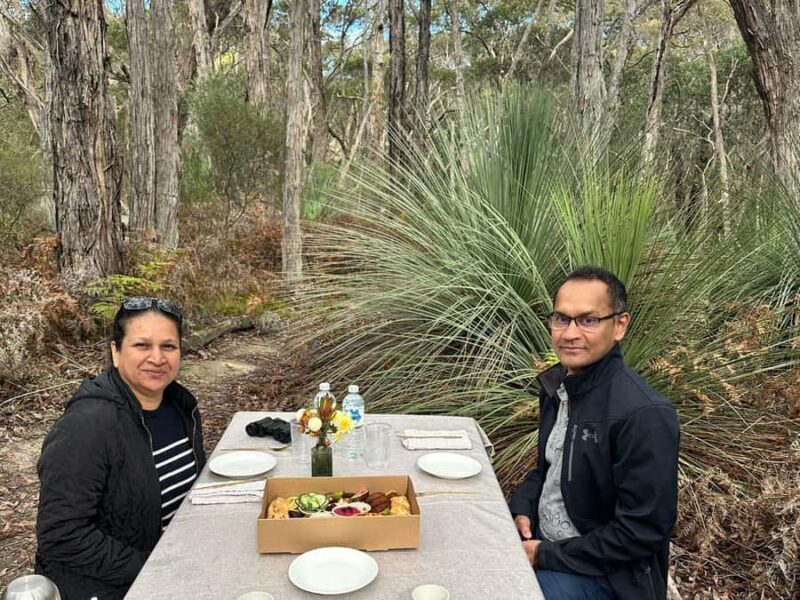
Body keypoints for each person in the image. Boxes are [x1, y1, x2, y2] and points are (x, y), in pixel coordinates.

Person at [510, 267, 680, 600]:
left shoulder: (644, 414)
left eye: (588, 320)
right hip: (545, 541)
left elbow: (641, 531)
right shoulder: (558, 386)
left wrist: (543, 555)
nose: (570, 333)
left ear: (620, 325)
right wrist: (523, 506)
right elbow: (549, 469)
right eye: (561, 319)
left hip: (606, 575)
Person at [35, 297, 206, 600]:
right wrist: (156, 568)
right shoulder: (86, 425)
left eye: (168, 346)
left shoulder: (180, 406)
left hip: (177, 566)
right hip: (115, 587)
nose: (157, 358)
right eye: (142, 345)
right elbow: (62, 535)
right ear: (115, 351)